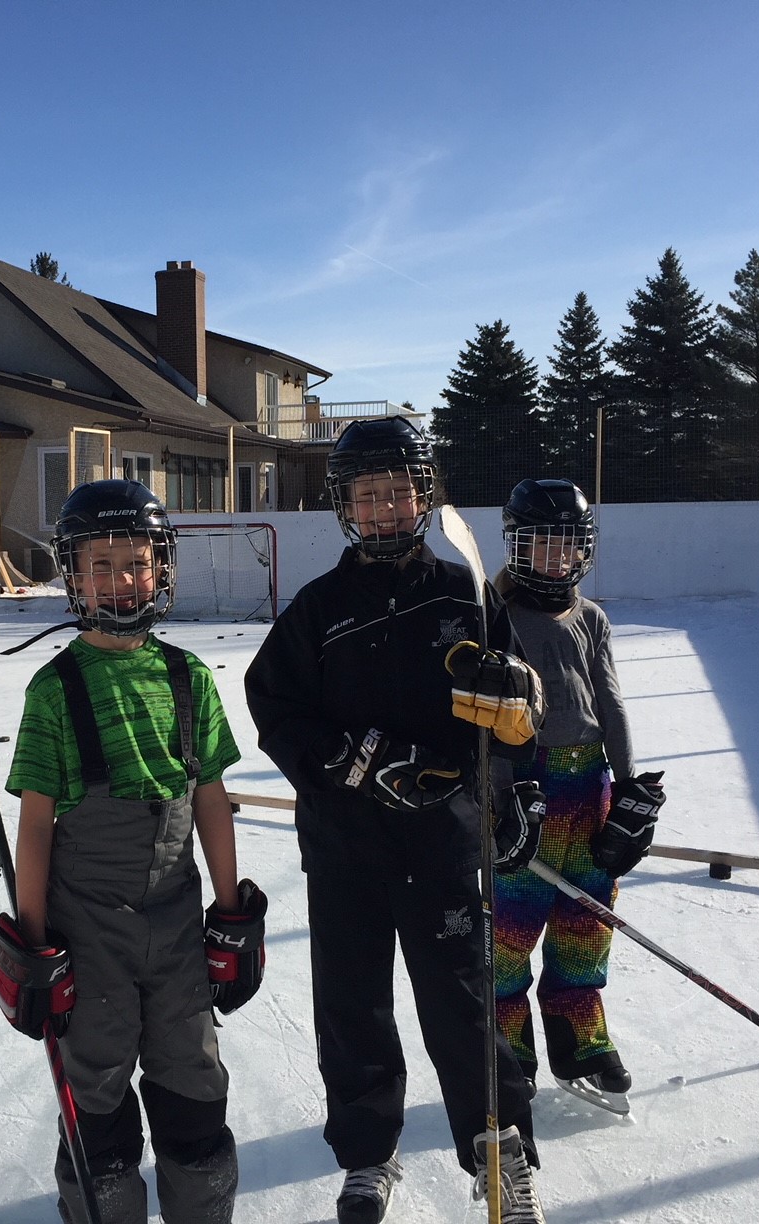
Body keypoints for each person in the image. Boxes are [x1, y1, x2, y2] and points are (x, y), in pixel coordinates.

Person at [243, 418, 549, 1224]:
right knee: (353, 1008)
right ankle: (368, 1156)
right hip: (346, 849)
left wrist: (510, 777)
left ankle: (499, 1148)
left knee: (464, 1004)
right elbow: (272, 704)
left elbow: (514, 713)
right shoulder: (318, 609)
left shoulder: (464, 595)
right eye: (367, 494)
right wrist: (358, 760)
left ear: (425, 496)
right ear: (344, 504)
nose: (384, 507)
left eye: (398, 491)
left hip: (443, 845)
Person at [0, 478, 266, 1224]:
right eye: (101, 565)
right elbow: (38, 826)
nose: (121, 581)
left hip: (177, 922)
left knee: (194, 1084)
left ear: (162, 567)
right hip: (88, 930)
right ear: (74, 575)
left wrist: (232, 905)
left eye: (136, 562)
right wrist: (31, 940)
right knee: (98, 1096)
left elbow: (209, 799)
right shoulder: (54, 691)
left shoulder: (189, 680)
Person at [490, 478, 667, 1114]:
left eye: (570, 546)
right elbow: (480, 715)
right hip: (524, 783)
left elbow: (610, 702)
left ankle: (578, 1038)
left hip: (587, 782)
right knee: (511, 924)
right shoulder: (494, 616)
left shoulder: (590, 617)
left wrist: (627, 787)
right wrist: (498, 794)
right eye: (544, 546)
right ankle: (507, 1051)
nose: (558, 559)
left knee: (587, 915)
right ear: (517, 546)